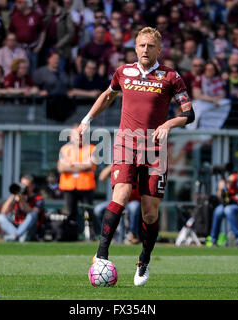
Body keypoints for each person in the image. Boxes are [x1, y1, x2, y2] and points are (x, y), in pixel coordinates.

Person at [77, 27, 195, 286]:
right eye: (141, 45)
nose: (145, 50)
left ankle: (144, 260)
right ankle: (101, 254)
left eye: (150, 46)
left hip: (154, 149)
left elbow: (189, 114)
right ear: (135, 47)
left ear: (159, 50)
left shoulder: (171, 77)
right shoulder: (123, 72)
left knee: (150, 213)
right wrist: (86, 120)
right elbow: (108, 95)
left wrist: (168, 124)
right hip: (126, 144)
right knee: (119, 193)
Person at [57, 124, 98, 240]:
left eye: (81, 135)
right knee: (70, 213)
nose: (79, 138)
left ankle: (90, 236)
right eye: (76, 135)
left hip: (86, 186)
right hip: (69, 187)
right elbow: (61, 168)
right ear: (70, 137)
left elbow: (91, 165)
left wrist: (71, 165)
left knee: (88, 212)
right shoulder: (65, 149)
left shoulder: (91, 148)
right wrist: (82, 166)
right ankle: (71, 236)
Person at [206, 166, 238, 247]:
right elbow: (221, 197)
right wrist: (221, 188)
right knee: (218, 211)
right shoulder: (233, 179)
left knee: (229, 210)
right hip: (229, 204)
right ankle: (213, 239)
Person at [0, 174, 45, 242]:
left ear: (32, 186)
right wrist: (13, 195)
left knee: (32, 215)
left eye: (26, 186)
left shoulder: (38, 198)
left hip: (29, 228)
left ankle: (15, 236)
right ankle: (17, 236)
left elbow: (34, 213)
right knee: (0, 217)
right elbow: (3, 212)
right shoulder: (16, 196)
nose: (23, 187)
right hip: (16, 224)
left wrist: (22, 201)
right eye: (22, 185)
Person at [186, 61, 231, 130]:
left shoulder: (219, 80)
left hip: (215, 102)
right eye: (207, 69)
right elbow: (197, 95)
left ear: (215, 70)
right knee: (197, 105)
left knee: (226, 102)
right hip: (204, 101)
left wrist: (215, 99)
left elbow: (223, 94)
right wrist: (212, 99)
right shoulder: (200, 78)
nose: (209, 71)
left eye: (211, 69)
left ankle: (214, 126)